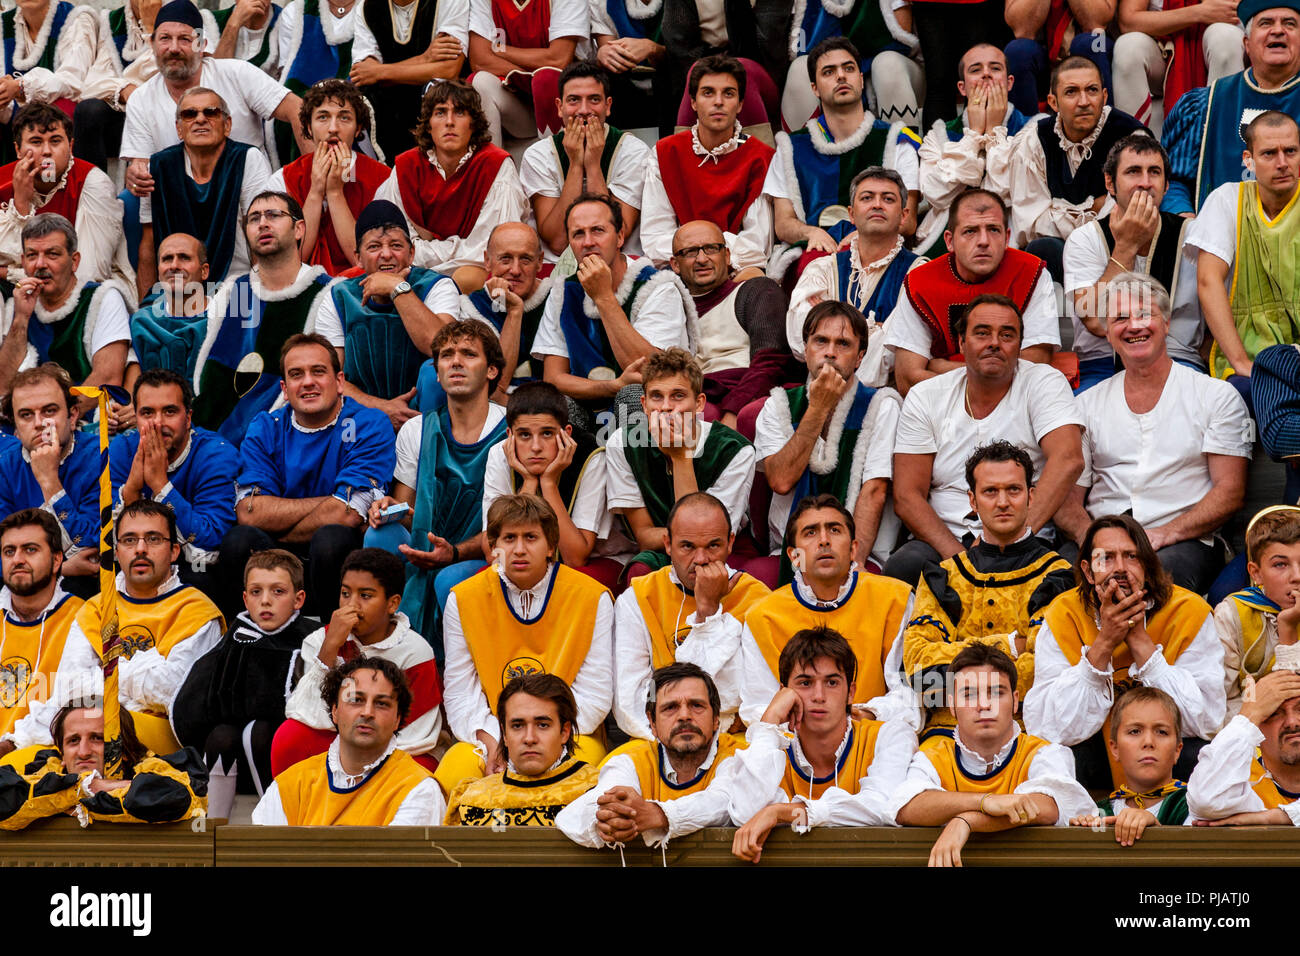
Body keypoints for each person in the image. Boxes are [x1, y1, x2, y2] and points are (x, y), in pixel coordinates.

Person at [1057, 274, 1250, 593]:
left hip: (1183, 542)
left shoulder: (1216, 396)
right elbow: (1067, 500)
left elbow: (1230, 491)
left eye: (1144, 314)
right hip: (1100, 538)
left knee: (1150, 584)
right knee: (1055, 583)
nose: (1134, 326)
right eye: (1120, 318)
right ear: (1107, 332)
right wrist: (1094, 540)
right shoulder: (1085, 405)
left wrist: (1164, 534)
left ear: (1167, 323)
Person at [887, 295, 1083, 586]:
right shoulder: (926, 395)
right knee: (904, 566)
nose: (994, 342)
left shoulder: (1044, 381)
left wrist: (1012, 541)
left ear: (1019, 346)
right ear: (962, 344)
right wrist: (963, 562)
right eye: (982, 333)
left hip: (1029, 537)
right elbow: (907, 496)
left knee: (1066, 573)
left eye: (1007, 335)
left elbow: (1068, 459)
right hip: (947, 541)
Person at [1025, 514, 1226, 788]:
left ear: (1147, 565)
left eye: (1131, 557)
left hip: (1168, 761)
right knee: (1053, 757)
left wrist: (1140, 641)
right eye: (1105, 558)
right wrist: (1105, 643)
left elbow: (1205, 720)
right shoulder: (1063, 614)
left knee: (1203, 754)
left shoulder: (1189, 612)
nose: (1120, 568)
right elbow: (1048, 728)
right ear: (1087, 570)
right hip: (1095, 755)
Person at [439, 494, 613, 794]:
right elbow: (460, 692)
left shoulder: (591, 597)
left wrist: (543, 738)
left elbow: (595, 692)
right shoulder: (463, 599)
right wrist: (500, 741)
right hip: (492, 736)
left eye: (531, 537)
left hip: (569, 735)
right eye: (509, 538)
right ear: (493, 548)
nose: (519, 549)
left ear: (550, 546)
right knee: (453, 776)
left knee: (587, 780)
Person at [903, 441, 1075, 736]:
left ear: (1031, 496)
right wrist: (1009, 645)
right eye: (990, 491)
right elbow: (918, 675)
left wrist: (956, 674)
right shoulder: (943, 575)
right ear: (972, 500)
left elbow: (1044, 674)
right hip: (946, 736)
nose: (1003, 502)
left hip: (1026, 734)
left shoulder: (1057, 576)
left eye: (1013, 490)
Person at [219, 333, 395, 619]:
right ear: (285, 388)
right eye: (296, 374)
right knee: (239, 540)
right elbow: (250, 513)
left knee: (331, 537)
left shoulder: (368, 423)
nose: (308, 382)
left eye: (318, 371)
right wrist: (331, 503)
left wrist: (279, 520)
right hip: (277, 556)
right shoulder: (266, 426)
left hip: (335, 555)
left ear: (339, 382)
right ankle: (247, 643)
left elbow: (348, 515)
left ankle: (333, 645)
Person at [30, 499, 225, 758]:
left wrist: (105, 672)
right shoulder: (96, 609)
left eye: (153, 539)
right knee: (15, 763)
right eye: (130, 540)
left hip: (163, 735)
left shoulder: (197, 611)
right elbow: (69, 690)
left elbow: (174, 692)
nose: (141, 549)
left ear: (174, 551)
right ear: (117, 551)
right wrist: (146, 668)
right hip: (90, 729)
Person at [365, 320, 507, 649]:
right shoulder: (417, 430)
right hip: (429, 547)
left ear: (491, 371)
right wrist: (388, 509)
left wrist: (454, 553)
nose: (455, 361)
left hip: (487, 555)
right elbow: (410, 513)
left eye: (469, 354)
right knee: (378, 534)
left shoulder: (512, 431)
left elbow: (509, 530)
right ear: (438, 372)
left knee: (450, 579)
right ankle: (378, 645)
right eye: (446, 355)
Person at [892, 643, 1096, 866]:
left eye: (996, 693)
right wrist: (985, 802)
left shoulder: (1044, 752)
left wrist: (967, 820)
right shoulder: (932, 756)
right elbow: (907, 807)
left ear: (1015, 701)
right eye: (969, 694)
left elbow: (1048, 806)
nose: (984, 705)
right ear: (951, 705)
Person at [728, 627, 916, 862]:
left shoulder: (890, 735)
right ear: (783, 692)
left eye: (832, 682)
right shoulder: (772, 745)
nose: (819, 695)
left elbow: (881, 806)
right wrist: (769, 721)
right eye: (805, 683)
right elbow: (746, 812)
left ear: (851, 693)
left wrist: (783, 812)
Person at [741, 495, 919, 727]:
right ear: (794, 557)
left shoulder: (896, 598)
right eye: (810, 532)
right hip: (794, 744)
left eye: (834, 530)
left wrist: (864, 714)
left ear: (854, 549)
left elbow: (913, 693)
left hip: (875, 736)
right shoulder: (762, 616)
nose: (824, 540)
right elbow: (757, 707)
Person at [755, 300, 902, 574]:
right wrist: (819, 407)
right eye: (820, 341)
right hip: (790, 552)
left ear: (860, 357)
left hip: (859, 551)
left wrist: (853, 563)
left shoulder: (882, 406)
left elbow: (874, 491)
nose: (830, 353)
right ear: (806, 350)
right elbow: (781, 480)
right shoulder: (777, 405)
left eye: (843, 344)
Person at [613, 491, 775, 740]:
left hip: (734, 741)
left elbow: (748, 693)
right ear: (667, 544)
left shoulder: (756, 599)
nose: (700, 560)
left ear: (731, 542)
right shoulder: (638, 599)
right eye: (687, 546)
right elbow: (630, 701)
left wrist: (708, 611)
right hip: (659, 739)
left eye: (713, 545)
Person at [170, 548, 315, 820]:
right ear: (245, 599)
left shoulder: (311, 639)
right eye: (257, 592)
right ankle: (213, 828)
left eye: (278, 592)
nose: (266, 602)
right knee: (222, 735)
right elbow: (195, 703)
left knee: (258, 730)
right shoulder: (234, 637)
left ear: (299, 599)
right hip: (234, 763)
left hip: (290, 760)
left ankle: (280, 822)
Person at [272, 548, 442, 775]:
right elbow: (303, 713)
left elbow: (417, 736)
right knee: (290, 737)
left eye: (366, 595)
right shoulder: (320, 641)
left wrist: (364, 765)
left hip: (399, 751)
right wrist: (329, 649)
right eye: (345, 593)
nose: (351, 605)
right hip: (341, 742)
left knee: (420, 771)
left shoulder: (415, 652)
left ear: (392, 604)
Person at [120, 0, 308, 200]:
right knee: (129, 201)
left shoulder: (236, 73)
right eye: (165, 38)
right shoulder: (141, 99)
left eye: (185, 39)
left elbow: (298, 109)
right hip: (181, 200)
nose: (174, 48)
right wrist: (136, 174)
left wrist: (312, 176)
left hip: (248, 196)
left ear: (201, 45)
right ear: (153, 44)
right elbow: (140, 164)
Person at [768, 38, 921, 279]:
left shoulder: (896, 141)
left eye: (848, 69)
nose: (841, 76)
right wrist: (811, 234)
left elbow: (908, 219)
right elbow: (783, 223)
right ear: (815, 88)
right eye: (829, 72)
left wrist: (866, 234)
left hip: (880, 251)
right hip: (814, 256)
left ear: (861, 79)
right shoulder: (790, 147)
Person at [882, 190, 1059, 396]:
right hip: (941, 411)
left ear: (1007, 237)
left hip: (1014, 407)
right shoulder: (920, 282)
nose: (983, 241)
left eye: (993, 230)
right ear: (949, 241)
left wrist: (941, 367)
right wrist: (990, 374)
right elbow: (908, 379)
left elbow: (1034, 364)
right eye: (970, 231)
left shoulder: (1031, 273)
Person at [533, 193, 691, 419]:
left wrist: (603, 297)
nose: (588, 242)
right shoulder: (562, 291)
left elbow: (653, 373)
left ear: (619, 237)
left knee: (634, 395)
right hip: (590, 408)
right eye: (578, 234)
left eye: (598, 230)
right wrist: (612, 386)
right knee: (551, 404)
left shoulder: (658, 286)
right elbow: (554, 378)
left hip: (657, 411)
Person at [1063, 134, 1203, 390]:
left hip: (1179, 360)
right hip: (1103, 366)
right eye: (1133, 172)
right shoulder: (1083, 239)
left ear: (1167, 184)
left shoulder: (1193, 235)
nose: (1145, 183)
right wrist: (1126, 246)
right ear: (1110, 182)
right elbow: (1094, 321)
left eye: (1155, 172)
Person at [555, 662, 746, 848]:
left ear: (715, 719)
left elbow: (726, 801)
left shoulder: (739, 756)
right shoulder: (630, 760)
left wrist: (659, 814)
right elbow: (572, 816)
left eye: (696, 705)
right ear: (652, 722)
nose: (684, 715)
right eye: (670, 707)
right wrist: (608, 819)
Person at [191, 192, 332, 444]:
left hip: (284, 441)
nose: (263, 223)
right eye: (254, 218)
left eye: (274, 215)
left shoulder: (326, 294)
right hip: (210, 440)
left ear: (299, 229)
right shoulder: (231, 291)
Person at [606, 348, 755, 574]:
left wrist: (681, 457)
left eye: (678, 395)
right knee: (641, 568)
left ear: (699, 403)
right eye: (657, 396)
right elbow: (644, 536)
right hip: (659, 551)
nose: (666, 406)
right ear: (644, 404)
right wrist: (679, 540)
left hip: (718, 553)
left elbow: (703, 537)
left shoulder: (735, 450)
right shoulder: (623, 443)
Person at [1186, 110, 1300, 405]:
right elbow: (1209, 280)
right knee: (1240, 396)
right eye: (1269, 153)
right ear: (1248, 160)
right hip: (1249, 352)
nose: (1282, 162)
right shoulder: (1227, 199)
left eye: (1290, 151)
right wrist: (1240, 363)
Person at [314, 199, 460, 427]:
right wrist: (382, 409)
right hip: (362, 417)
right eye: (374, 247)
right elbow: (328, 376)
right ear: (358, 258)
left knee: (434, 373)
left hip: (426, 417)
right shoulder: (338, 297)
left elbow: (441, 347)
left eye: (396, 245)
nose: (386, 254)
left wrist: (396, 288)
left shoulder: (437, 286)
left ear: (411, 254)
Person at [985, 56, 1146, 258]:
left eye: (1092, 90)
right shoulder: (1036, 139)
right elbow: (1031, 224)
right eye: (1071, 92)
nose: (1084, 102)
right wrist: (1091, 210)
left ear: (1104, 97)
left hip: (1118, 251)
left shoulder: (1131, 139)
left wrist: (1057, 210)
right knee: (1043, 248)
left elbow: (1126, 220)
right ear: (1053, 102)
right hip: (1059, 255)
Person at [254, 655, 445, 825]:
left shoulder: (418, 788)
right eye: (356, 700)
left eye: (381, 704)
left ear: (397, 719)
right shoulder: (291, 785)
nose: (368, 712)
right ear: (335, 711)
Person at [376, 81, 529, 281]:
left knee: (466, 278)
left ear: (473, 124)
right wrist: (450, 250)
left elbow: (493, 248)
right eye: (440, 113)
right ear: (429, 125)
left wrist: (427, 248)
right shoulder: (407, 167)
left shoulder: (495, 165)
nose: (449, 121)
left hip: (477, 275)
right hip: (413, 272)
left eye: (459, 113)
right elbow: (392, 241)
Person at [786, 168, 923, 389]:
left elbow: (890, 358)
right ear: (851, 214)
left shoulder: (918, 273)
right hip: (816, 391)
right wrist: (875, 329)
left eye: (888, 199)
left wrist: (828, 326)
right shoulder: (821, 269)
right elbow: (799, 339)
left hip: (883, 401)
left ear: (904, 215)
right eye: (867, 197)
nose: (877, 204)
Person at [1162, 0, 1300, 214]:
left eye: (1289, 24)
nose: (1278, 30)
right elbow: (1173, 182)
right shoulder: (1204, 104)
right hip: (1220, 242)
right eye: (1265, 23)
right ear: (1247, 44)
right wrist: (1187, 221)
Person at [640, 55, 774, 271]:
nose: (718, 101)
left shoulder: (760, 157)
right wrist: (705, 254)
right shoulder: (665, 153)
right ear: (693, 102)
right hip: (677, 272)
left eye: (728, 93)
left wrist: (704, 254)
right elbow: (654, 238)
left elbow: (757, 246)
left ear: (740, 104)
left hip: (734, 273)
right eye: (708, 93)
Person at [109, 368, 239, 582]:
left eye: (169, 412)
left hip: (195, 568)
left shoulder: (217, 454)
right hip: (137, 564)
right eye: (147, 413)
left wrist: (161, 487)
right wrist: (132, 492)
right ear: (137, 417)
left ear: (188, 418)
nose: (158, 423)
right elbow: (103, 541)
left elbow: (212, 539)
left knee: (199, 575)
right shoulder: (122, 450)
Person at [138, 87, 273, 293]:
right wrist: (146, 303)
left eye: (210, 112)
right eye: (189, 114)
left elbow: (259, 232)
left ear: (227, 125)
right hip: (177, 291)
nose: (200, 119)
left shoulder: (248, 159)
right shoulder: (157, 167)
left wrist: (260, 297)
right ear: (179, 129)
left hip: (236, 286)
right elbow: (148, 243)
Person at [0, 702, 207, 830]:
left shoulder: (154, 768)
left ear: (124, 750)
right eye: (73, 740)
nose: (83, 751)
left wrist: (102, 792)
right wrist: (80, 789)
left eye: (97, 738)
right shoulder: (45, 770)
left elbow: (185, 799)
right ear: (61, 753)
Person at [519, 61, 649, 260]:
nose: (584, 110)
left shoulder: (633, 152)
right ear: (559, 107)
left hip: (620, 262)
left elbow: (615, 236)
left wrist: (593, 164)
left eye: (594, 99)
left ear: (608, 106)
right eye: (573, 100)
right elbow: (558, 242)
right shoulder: (538, 155)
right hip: (556, 267)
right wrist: (576, 164)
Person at [669, 219, 794, 426]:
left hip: (745, 399)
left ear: (727, 256)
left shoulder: (756, 291)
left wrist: (733, 413)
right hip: (693, 399)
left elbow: (771, 362)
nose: (702, 259)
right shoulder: (669, 308)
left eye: (711, 249)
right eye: (690, 252)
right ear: (675, 264)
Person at [481, 381, 611, 576]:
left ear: (566, 434)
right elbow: (494, 554)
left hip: (596, 561)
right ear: (510, 436)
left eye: (547, 434)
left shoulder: (592, 457)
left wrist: (548, 483)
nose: (535, 447)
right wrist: (529, 482)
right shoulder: (500, 454)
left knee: (575, 579)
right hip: (529, 561)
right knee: (483, 579)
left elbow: (575, 558)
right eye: (524, 435)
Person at [266, 79, 391, 275]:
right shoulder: (283, 179)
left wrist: (335, 192)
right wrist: (315, 191)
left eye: (344, 118)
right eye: (323, 118)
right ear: (308, 127)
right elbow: (289, 262)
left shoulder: (383, 179)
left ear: (358, 129)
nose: (333, 128)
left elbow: (366, 263)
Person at [0, 214, 132, 397]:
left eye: (52, 254)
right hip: (27, 419)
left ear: (74, 261)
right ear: (23, 262)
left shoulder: (102, 298)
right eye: (32, 255)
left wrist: (64, 418)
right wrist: (21, 319)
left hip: (85, 419)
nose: (40, 264)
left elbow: (107, 377)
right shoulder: (16, 305)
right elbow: (3, 386)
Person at [445, 673, 600, 826]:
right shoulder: (472, 800)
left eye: (543, 725)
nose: (529, 738)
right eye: (517, 726)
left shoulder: (597, 793)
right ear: (504, 734)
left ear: (565, 732)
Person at [0, 104, 129, 286]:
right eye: (36, 142)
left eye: (55, 141)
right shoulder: (2, 182)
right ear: (17, 150)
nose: (46, 151)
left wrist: (8, 273)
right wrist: (21, 205)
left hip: (84, 296)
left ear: (71, 146)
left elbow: (89, 273)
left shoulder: (92, 183)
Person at [917, 43, 1035, 238]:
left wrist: (993, 133)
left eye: (995, 68)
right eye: (975, 70)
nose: (986, 74)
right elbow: (935, 195)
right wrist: (973, 135)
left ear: (1009, 82)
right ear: (962, 88)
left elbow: (1010, 193)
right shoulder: (939, 135)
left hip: (1013, 233)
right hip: (950, 236)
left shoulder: (1033, 129)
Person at [0, 509, 82, 753]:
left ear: (57, 560)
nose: (18, 559)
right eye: (9, 551)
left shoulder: (85, 617)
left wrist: (10, 745)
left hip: (44, 759)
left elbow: (79, 705)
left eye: (30, 549)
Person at [1067, 687, 1192, 843]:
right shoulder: (1099, 812)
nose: (1148, 742)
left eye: (1161, 732)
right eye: (1134, 731)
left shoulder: (1194, 806)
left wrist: (1157, 829)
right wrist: (1081, 836)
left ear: (1177, 750)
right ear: (1115, 749)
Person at [0, 365, 100, 558]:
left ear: (72, 416)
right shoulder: (5, 468)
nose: (38, 423)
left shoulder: (101, 457)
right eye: (26, 415)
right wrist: (61, 568)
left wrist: (50, 483)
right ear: (16, 429)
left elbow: (91, 546)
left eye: (49, 411)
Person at [349, 0, 467, 160]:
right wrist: (424, 59)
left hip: (437, 100)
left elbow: (449, 70)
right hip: (388, 104)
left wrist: (380, 72)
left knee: (439, 90)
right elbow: (363, 75)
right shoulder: (366, 7)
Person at [781, 1, 922, 132]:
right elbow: (800, 45)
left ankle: (904, 151)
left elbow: (904, 41)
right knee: (800, 68)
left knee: (888, 66)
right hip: (827, 72)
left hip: (890, 73)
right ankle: (801, 153)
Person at [1215, 506, 1300, 720]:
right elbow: (1222, 700)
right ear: (1256, 573)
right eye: (1280, 564)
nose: (1296, 576)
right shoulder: (1232, 614)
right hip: (1252, 731)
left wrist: (1288, 630)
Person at [1185, 666, 1300, 825]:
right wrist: (1248, 716)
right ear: (1256, 727)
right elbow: (1206, 800)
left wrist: (1276, 817)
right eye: (1274, 713)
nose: (1292, 722)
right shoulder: (1243, 781)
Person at [1112, 0, 1243, 138]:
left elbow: (1231, 10)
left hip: (1217, 47)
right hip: (1164, 49)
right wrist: (1199, 12)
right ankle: (1133, 145)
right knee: (1128, 48)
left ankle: (1220, 142)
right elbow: (1128, 21)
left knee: (1225, 38)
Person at [466, 0, 586, 146]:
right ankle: (494, 164)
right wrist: (523, 75)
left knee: (545, 79)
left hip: (561, 106)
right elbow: (480, 60)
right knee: (479, 81)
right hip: (517, 106)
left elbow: (558, 59)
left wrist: (499, 49)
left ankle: (557, 158)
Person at [454, 222, 553, 395]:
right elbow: (496, 385)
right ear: (487, 261)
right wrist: (514, 311)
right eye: (505, 259)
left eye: (525, 259)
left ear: (540, 262)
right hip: (494, 408)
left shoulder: (557, 296)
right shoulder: (471, 307)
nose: (515, 270)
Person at [127, 232, 209, 382]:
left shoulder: (225, 319)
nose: (174, 266)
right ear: (158, 272)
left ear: (204, 271)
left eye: (184, 257)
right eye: (167, 259)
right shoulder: (142, 322)